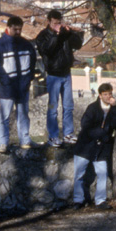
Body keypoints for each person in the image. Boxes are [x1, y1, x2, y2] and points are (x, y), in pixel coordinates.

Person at [34, 9, 83, 147]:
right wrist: (56, 35)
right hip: (53, 75)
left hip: (66, 73)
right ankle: (53, 136)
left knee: (68, 106)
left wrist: (71, 33)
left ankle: (68, 133)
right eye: (55, 23)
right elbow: (47, 50)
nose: (57, 25)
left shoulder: (64, 34)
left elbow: (78, 44)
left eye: (59, 22)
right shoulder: (42, 36)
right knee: (52, 108)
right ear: (49, 22)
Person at [71, 83, 116, 209]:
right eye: (105, 94)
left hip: (102, 147)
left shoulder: (115, 108)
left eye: (110, 94)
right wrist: (102, 132)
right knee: (79, 174)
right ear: (100, 95)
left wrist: (115, 108)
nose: (108, 97)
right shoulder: (92, 108)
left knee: (102, 173)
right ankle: (78, 200)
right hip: (86, 144)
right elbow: (85, 125)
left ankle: (100, 200)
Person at [0, 15, 38, 151]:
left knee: (23, 115)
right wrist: (5, 80)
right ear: (8, 27)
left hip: (22, 87)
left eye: (20, 29)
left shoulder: (26, 44)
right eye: (15, 29)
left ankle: (25, 139)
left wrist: (28, 79)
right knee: (4, 116)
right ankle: (3, 142)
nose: (18, 32)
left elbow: (32, 63)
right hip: (7, 88)